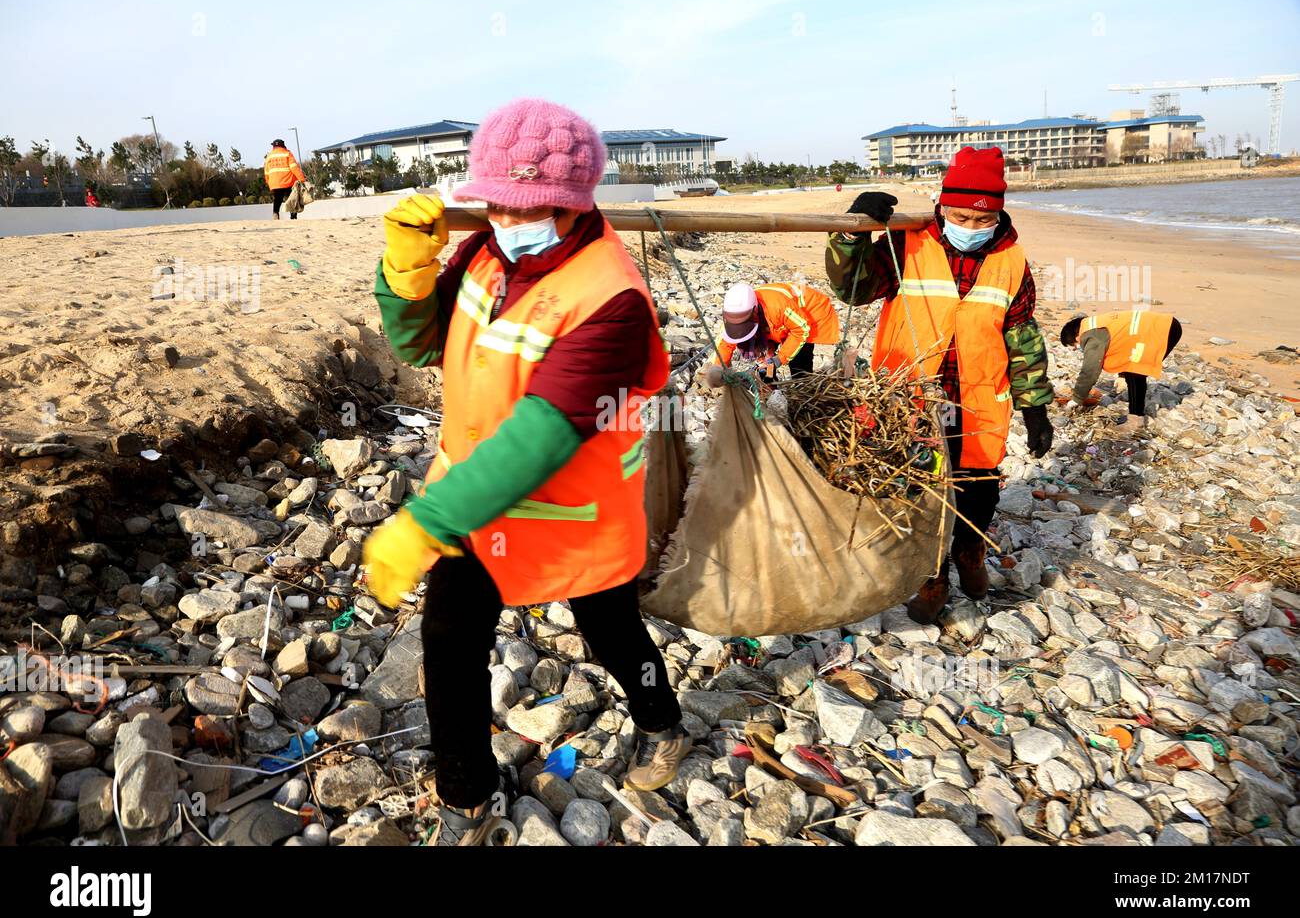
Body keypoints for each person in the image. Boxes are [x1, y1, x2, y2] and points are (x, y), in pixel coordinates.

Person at [362, 98, 691, 845]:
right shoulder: (483, 251)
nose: (509, 222)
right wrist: (407, 270)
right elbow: (420, 344)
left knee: (612, 633)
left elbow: (546, 430)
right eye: (497, 206)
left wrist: (425, 521)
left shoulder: (612, 299)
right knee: (448, 644)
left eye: (529, 208)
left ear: (573, 204)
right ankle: (465, 802)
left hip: (572, 514)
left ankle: (661, 721)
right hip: (476, 505)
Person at [825, 146, 1055, 624]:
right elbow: (852, 290)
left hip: (978, 400)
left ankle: (969, 552)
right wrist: (852, 232)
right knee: (918, 487)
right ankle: (930, 577)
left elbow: (1022, 336)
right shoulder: (908, 242)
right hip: (910, 395)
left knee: (978, 487)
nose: (969, 226)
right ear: (942, 207)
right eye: (959, 215)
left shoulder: (1012, 259)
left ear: (997, 214)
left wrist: (1036, 407)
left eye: (979, 218)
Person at [1061, 311, 1182, 436]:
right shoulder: (1093, 325)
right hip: (1166, 325)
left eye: (1073, 345)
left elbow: (1090, 370)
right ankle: (1136, 417)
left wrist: (1077, 398)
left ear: (1076, 336)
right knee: (1133, 370)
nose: (1076, 348)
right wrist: (1122, 375)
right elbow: (1123, 344)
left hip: (1164, 329)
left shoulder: (1091, 335)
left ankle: (1135, 422)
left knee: (1135, 372)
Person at [708, 280, 840, 383]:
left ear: (755, 312)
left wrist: (780, 358)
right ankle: (769, 386)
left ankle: (803, 392)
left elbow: (801, 329)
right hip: (775, 322)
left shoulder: (778, 307)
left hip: (809, 312)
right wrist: (718, 370)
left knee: (799, 362)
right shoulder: (734, 316)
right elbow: (724, 344)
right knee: (765, 356)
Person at [263, 138, 305, 220]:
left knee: (277, 199)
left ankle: (275, 213)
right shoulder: (287, 154)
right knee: (292, 199)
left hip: (275, 183)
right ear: (283, 145)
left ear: (274, 146)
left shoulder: (269, 156)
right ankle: (293, 216)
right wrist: (302, 179)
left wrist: (269, 183)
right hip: (288, 181)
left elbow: (266, 172)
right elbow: (294, 168)